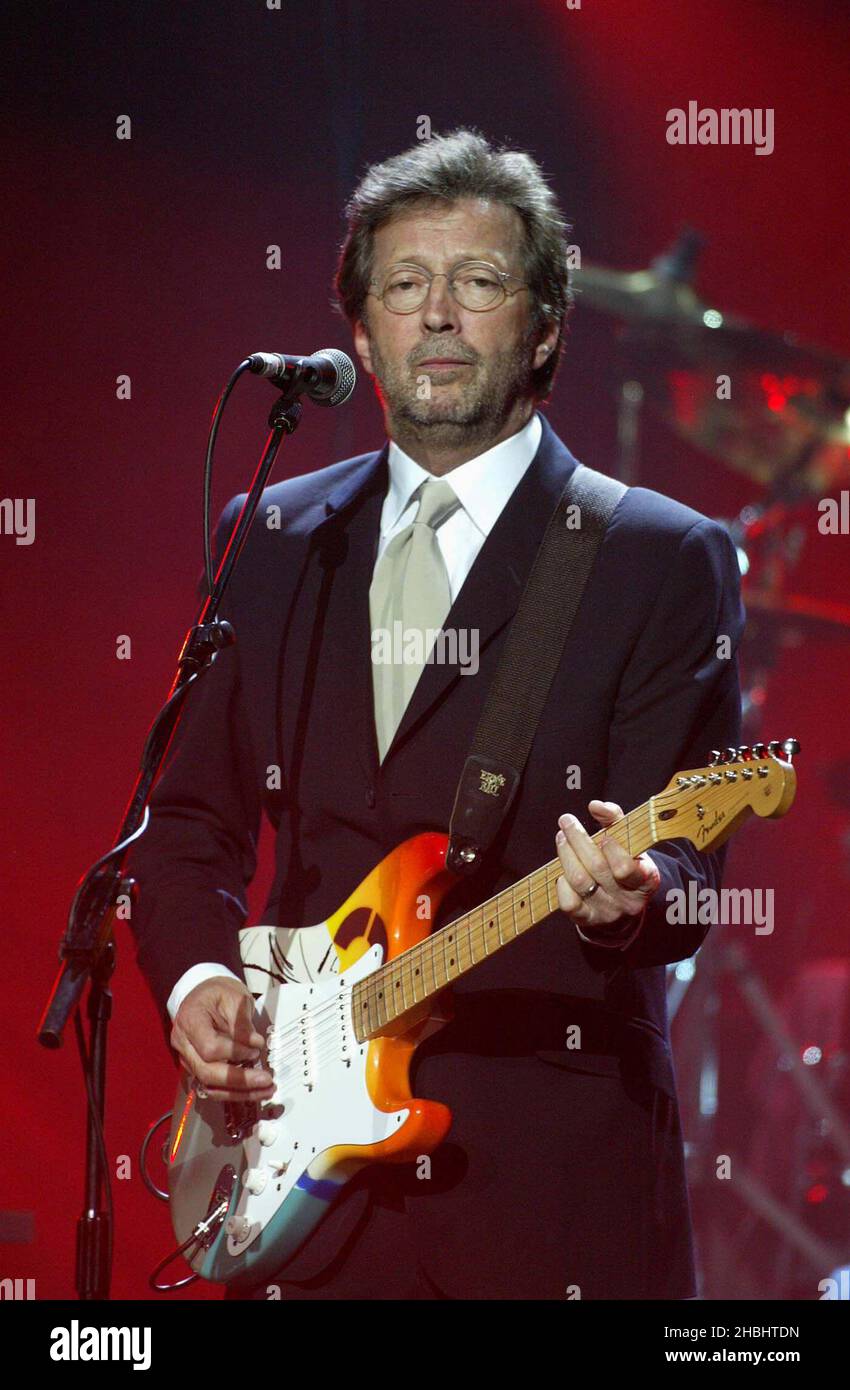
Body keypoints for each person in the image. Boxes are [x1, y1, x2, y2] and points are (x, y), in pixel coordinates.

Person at [129, 128, 743, 1300]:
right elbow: (186, 819)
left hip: (543, 1192)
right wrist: (199, 982)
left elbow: (694, 860)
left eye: (478, 282)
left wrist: (641, 896)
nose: (438, 315)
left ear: (547, 323)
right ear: (359, 332)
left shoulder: (656, 556)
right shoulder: (272, 537)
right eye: (404, 286)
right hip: (299, 1183)